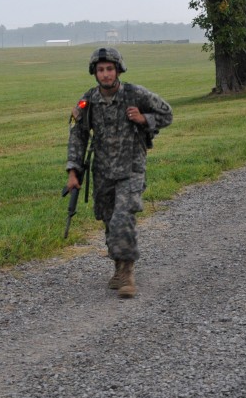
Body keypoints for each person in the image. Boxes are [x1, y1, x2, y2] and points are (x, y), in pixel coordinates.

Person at [66, 47, 172, 298]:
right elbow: (78, 136)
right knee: (109, 220)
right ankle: (118, 266)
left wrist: (144, 119)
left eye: (110, 69)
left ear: (118, 70)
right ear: (94, 73)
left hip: (131, 169)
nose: (105, 74)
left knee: (122, 218)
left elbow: (167, 114)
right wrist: (73, 171)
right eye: (101, 70)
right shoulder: (88, 101)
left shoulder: (135, 94)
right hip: (103, 172)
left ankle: (127, 273)